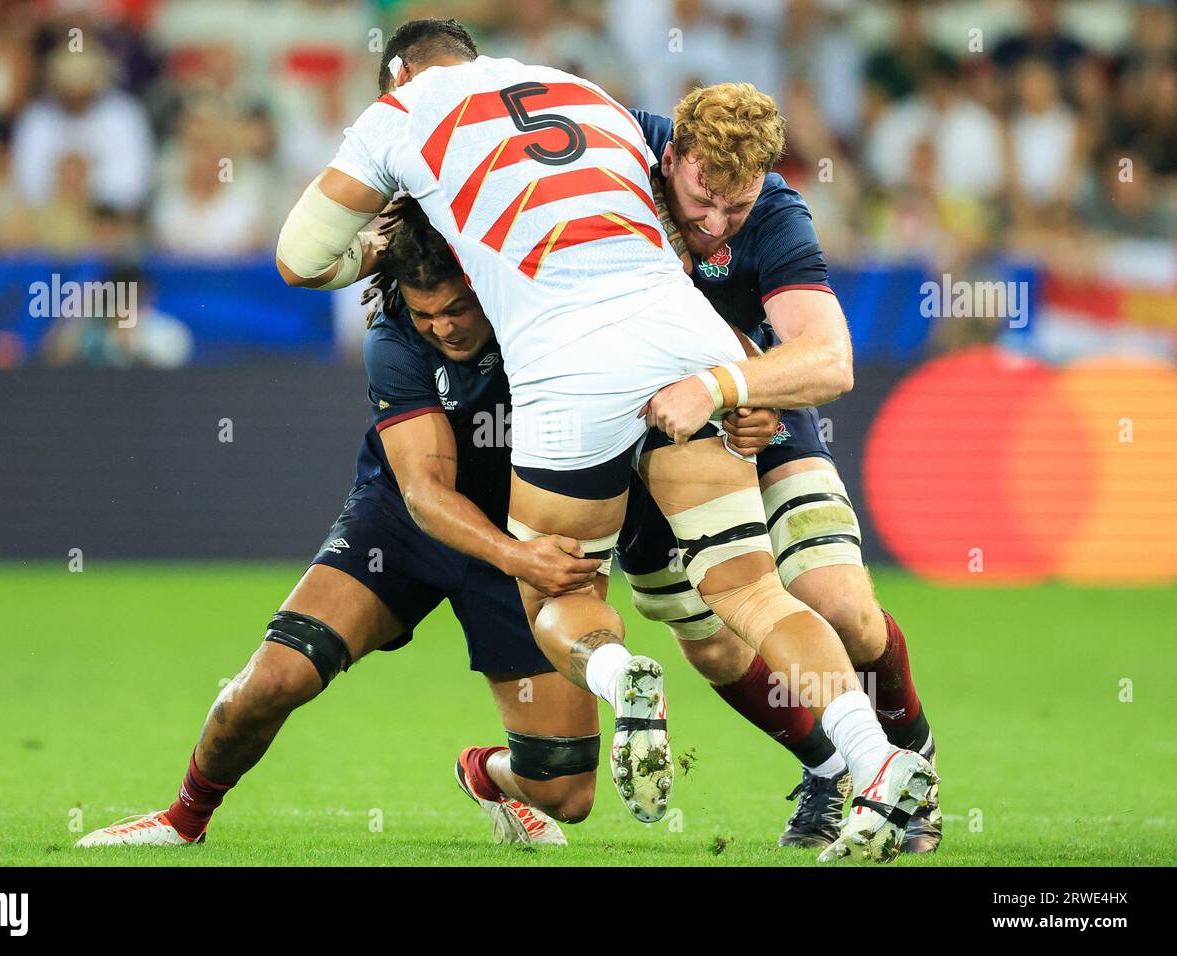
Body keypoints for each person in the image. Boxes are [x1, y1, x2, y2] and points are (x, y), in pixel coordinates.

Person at [275, 17, 935, 861]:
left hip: (569, 368)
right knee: (752, 594)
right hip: (687, 344)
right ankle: (876, 761)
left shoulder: (399, 115)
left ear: (397, 75)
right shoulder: (593, 99)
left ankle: (623, 678)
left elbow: (298, 258)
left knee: (557, 596)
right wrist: (732, 378)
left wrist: (365, 251)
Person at [75, 203, 603, 849]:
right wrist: (517, 559)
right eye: (425, 312)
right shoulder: (394, 340)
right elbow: (424, 493)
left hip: (525, 530)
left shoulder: (550, 324)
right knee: (273, 680)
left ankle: (485, 775)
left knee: (566, 795)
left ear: (485, 285)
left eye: (457, 309)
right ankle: (182, 820)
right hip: (405, 527)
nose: (443, 328)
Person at [615, 88, 941, 852]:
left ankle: (914, 765)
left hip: (753, 408)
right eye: (703, 201)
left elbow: (831, 359)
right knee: (712, 641)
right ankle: (830, 766)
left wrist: (730, 388)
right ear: (672, 158)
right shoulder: (613, 152)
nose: (718, 225)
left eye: (740, 204)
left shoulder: (778, 214)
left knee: (840, 606)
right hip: (639, 429)